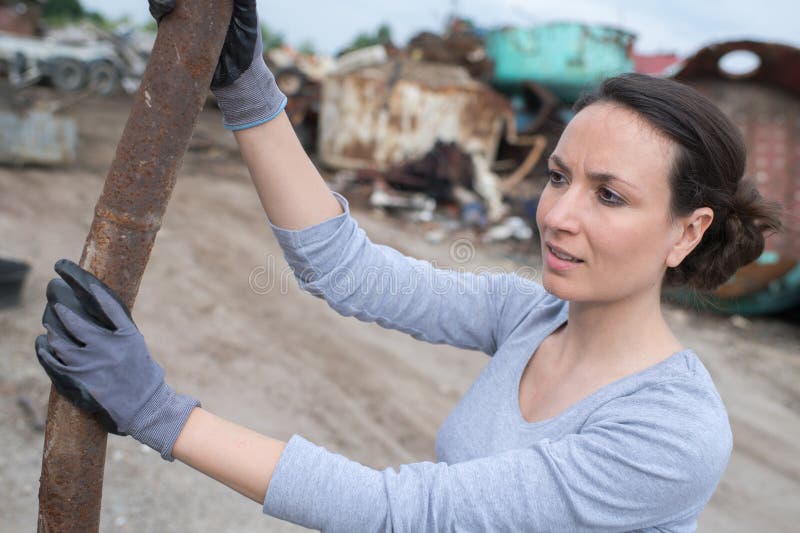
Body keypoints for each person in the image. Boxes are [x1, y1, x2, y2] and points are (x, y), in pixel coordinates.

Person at [36, 1, 782, 531]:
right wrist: (247, 90)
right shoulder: (528, 316)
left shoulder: (672, 431)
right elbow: (348, 270)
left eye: (609, 195)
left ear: (687, 231)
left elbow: (404, 513)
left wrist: (160, 413)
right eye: (557, 177)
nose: (557, 214)